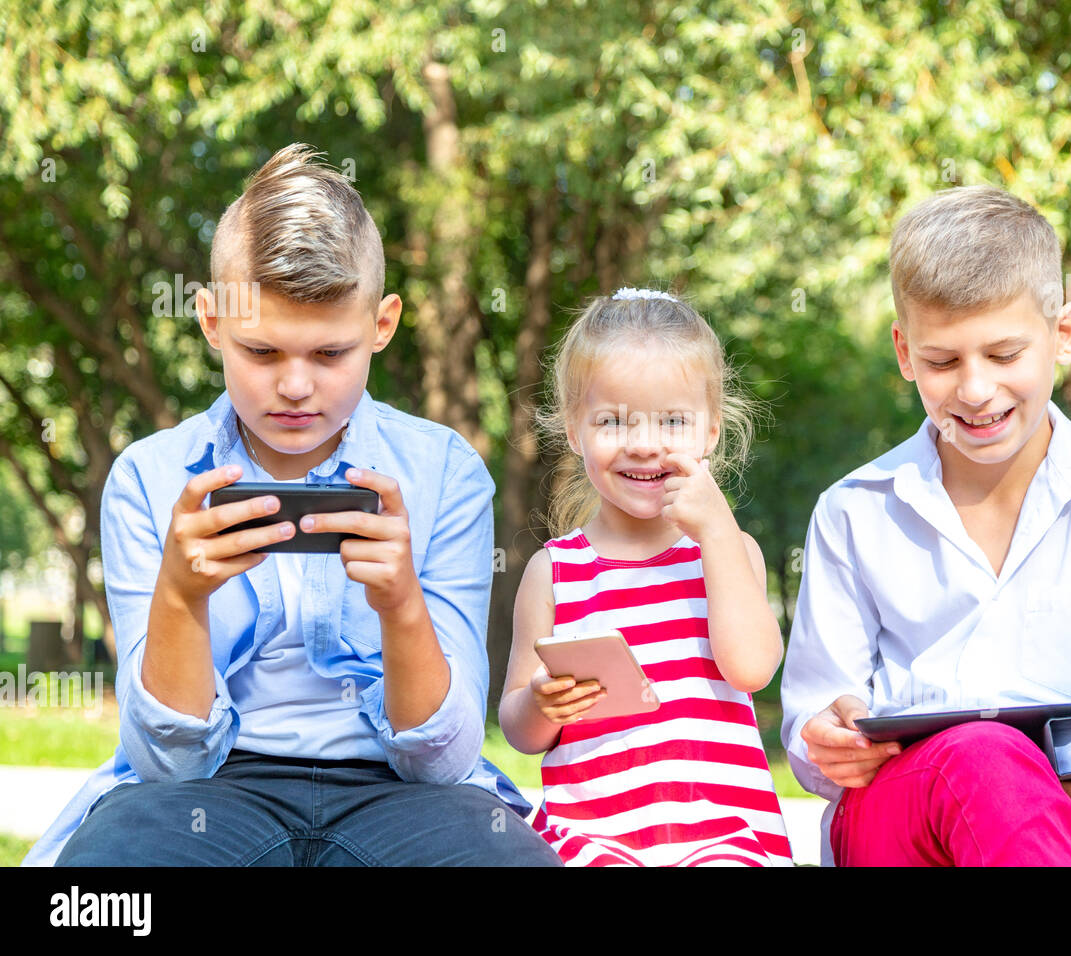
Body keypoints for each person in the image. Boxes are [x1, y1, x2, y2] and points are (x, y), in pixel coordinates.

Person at [24, 143, 558, 867]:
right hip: (208, 790)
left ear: (382, 324)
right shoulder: (148, 479)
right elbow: (165, 767)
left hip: (402, 794)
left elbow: (444, 762)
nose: (297, 387)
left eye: (330, 354)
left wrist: (402, 605)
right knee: (97, 894)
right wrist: (181, 599)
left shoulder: (444, 472)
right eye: (263, 353)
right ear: (211, 323)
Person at [780, 185, 1071, 867]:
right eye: (942, 361)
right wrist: (824, 737)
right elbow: (812, 722)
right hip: (903, 817)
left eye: (1004, 354)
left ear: (1064, 333)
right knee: (988, 759)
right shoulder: (853, 510)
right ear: (903, 352)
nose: (976, 390)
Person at [498, 289, 793, 866]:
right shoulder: (554, 572)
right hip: (593, 838)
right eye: (612, 420)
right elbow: (520, 730)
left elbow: (752, 669)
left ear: (710, 432)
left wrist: (717, 533)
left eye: (674, 420)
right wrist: (539, 704)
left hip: (722, 836)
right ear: (575, 430)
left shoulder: (732, 553)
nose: (643, 443)